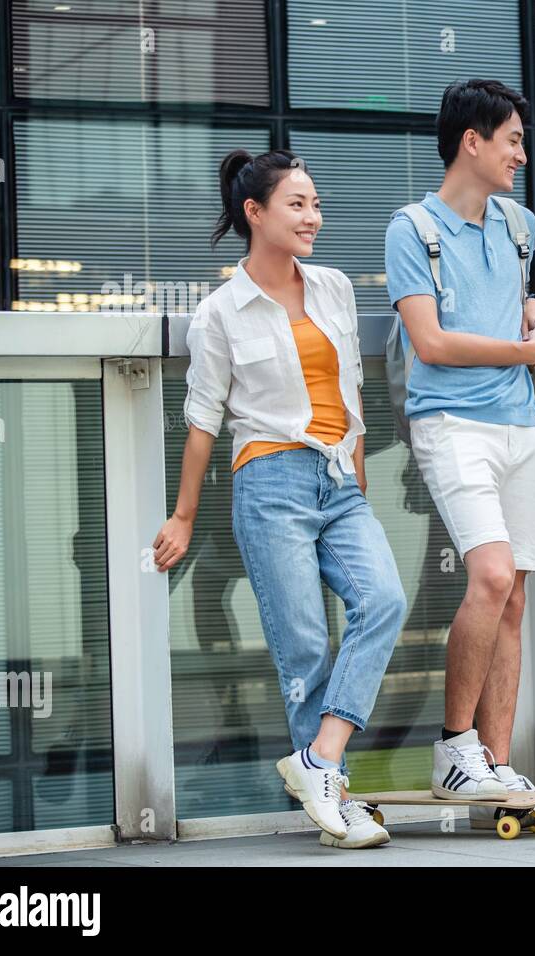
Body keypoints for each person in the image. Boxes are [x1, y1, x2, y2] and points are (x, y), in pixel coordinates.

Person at [154, 148, 406, 847]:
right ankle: (333, 801)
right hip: (269, 482)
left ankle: (319, 761)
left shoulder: (331, 287)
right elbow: (203, 421)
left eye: (316, 203)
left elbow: (350, 386)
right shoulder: (220, 313)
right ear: (254, 212)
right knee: (304, 646)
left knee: (383, 600)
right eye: (298, 204)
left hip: (337, 480)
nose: (313, 217)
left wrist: (355, 471)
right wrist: (183, 515)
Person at [384, 79, 535, 831]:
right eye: (513, 140)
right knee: (490, 575)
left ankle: (492, 761)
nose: (522, 154)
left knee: (515, 595)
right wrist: (522, 349)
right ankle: (455, 747)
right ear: (473, 141)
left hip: (520, 427)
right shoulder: (411, 228)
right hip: (451, 424)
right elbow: (429, 342)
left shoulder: (519, 224)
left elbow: (523, 301)